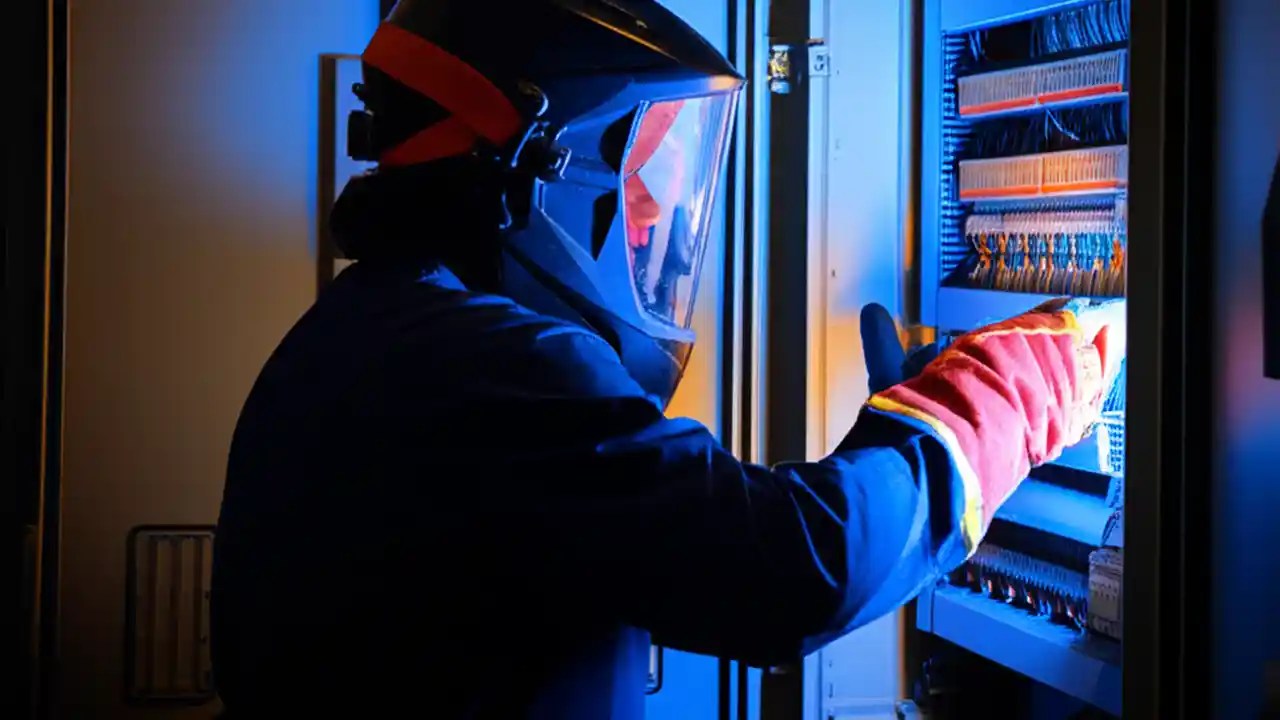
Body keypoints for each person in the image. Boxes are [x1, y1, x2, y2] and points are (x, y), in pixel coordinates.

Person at [208, 1, 1125, 718]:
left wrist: (909, 433)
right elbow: (796, 569)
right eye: (635, 185)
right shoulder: (483, 365)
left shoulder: (361, 336)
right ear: (530, 168)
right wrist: (1021, 384)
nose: (652, 225)